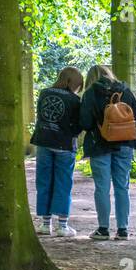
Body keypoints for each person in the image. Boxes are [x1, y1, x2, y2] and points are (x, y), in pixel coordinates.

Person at [79, 64, 136, 241]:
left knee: (102, 188)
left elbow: (85, 123)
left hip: (99, 145)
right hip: (125, 144)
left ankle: (103, 229)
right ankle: (123, 230)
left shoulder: (90, 93)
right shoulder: (126, 91)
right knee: (122, 187)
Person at [30, 66, 84, 237]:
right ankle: (63, 226)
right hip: (65, 145)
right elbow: (78, 124)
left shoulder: (45, 93)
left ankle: (46, 224)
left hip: (44, 142)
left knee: (44, 182)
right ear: (73, 82)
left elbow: (41, 115)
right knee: (63, 184)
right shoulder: (75, 100)